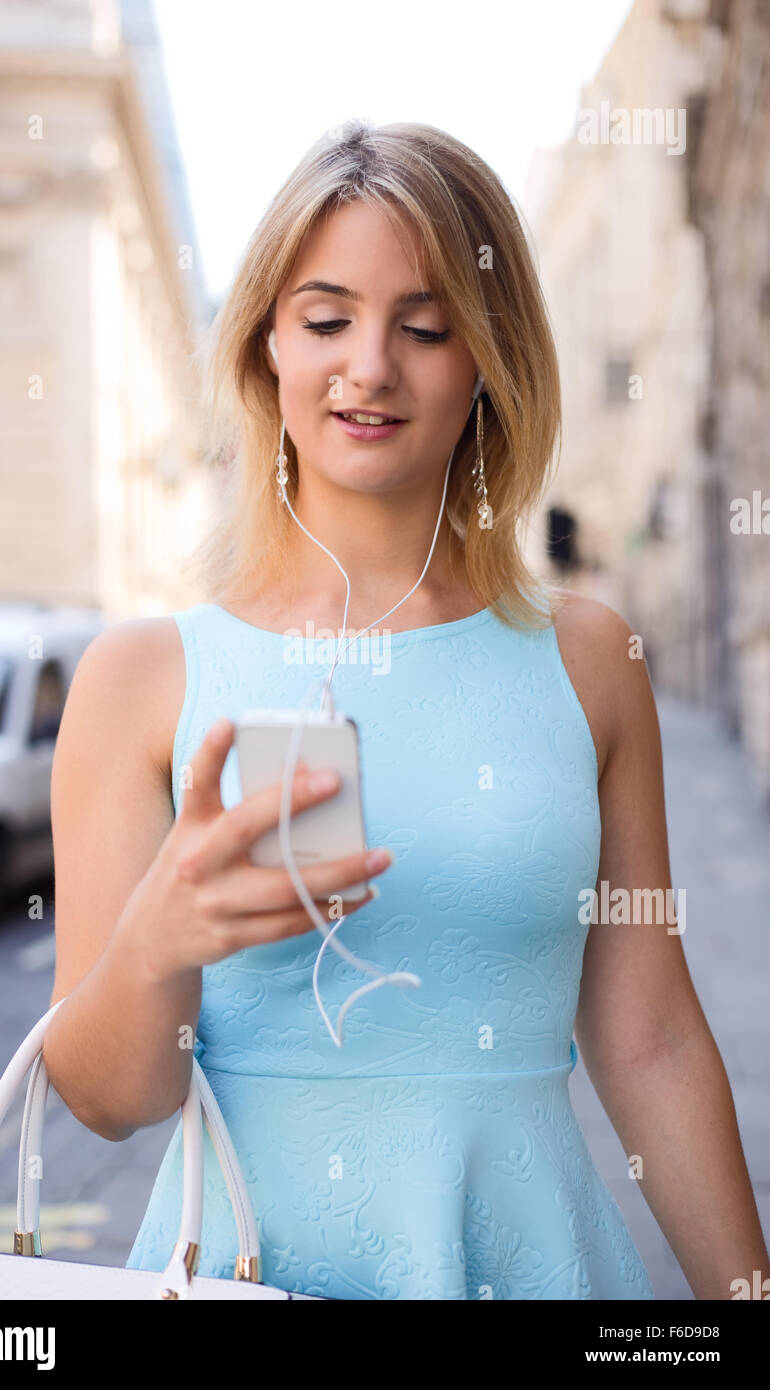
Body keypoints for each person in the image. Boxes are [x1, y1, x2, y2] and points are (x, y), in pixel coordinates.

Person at [43, 118, 769, 1300]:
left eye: (423, 327)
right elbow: (108, 1097)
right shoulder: (139, 679)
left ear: (486, 355)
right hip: (238, 1272)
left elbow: (649, 1038)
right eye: (325, 319)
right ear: (264, 347)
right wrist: (162, 936)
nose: (368, 365)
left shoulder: (586, 658)